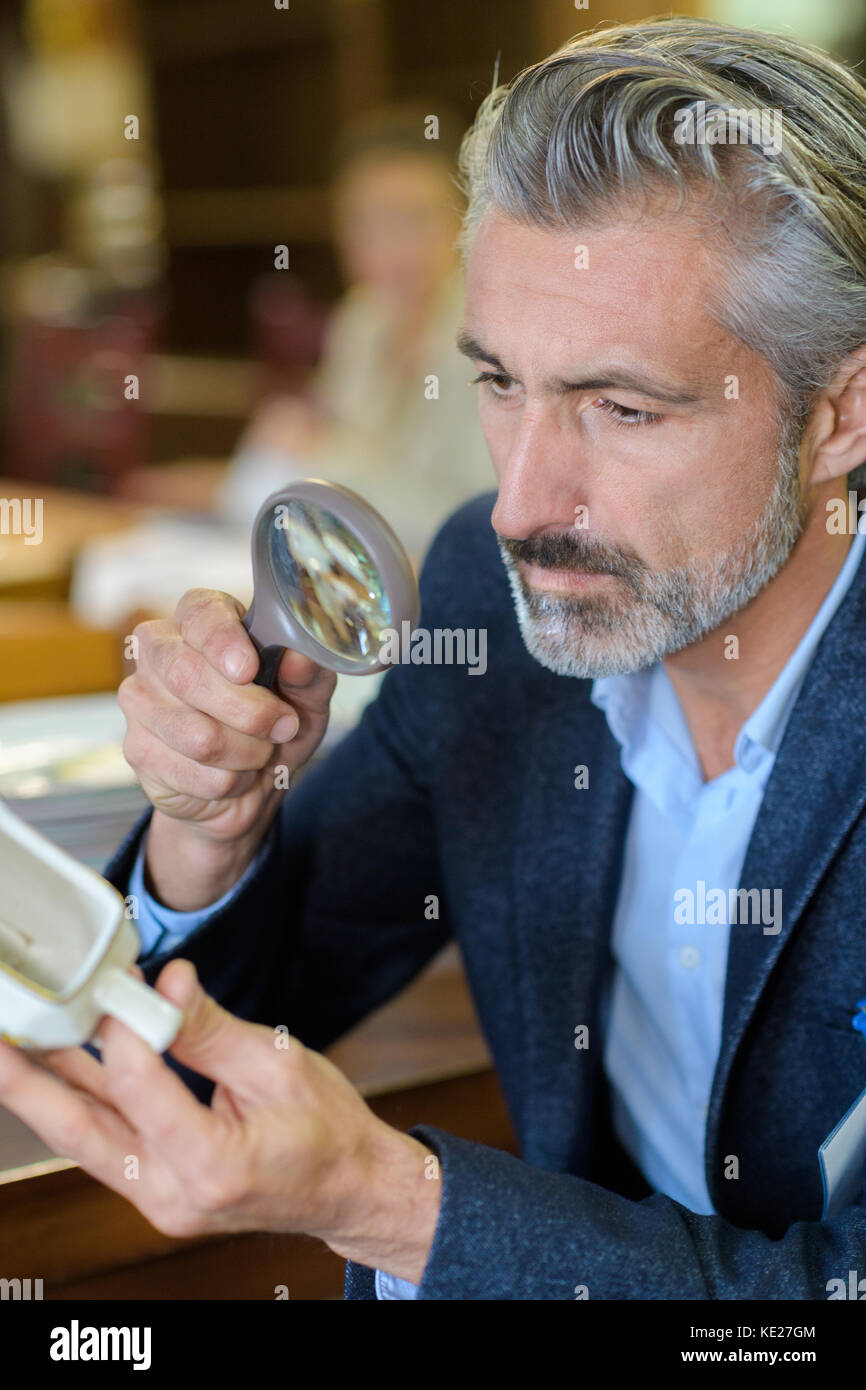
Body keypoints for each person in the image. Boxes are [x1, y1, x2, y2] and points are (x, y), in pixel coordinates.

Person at [3, 16, 866, 1300]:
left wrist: (392, 1205)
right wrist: (208, 831)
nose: (520, 504)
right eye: (500, 383)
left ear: (838, 413)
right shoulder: (488, 589)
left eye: (620, 409)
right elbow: (241, 1016)